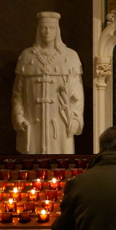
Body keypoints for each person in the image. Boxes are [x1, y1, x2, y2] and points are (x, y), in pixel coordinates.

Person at [12, 12, 84, 154]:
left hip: (60, 126)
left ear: (57, 31)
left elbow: (77, 94)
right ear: (38, 30)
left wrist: (75, 119)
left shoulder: (70, 56)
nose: (47, 32)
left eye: (51, 28)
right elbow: (17, 94)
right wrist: (18, 116)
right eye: (43, 28)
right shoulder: (27, 56)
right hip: (32, 126)